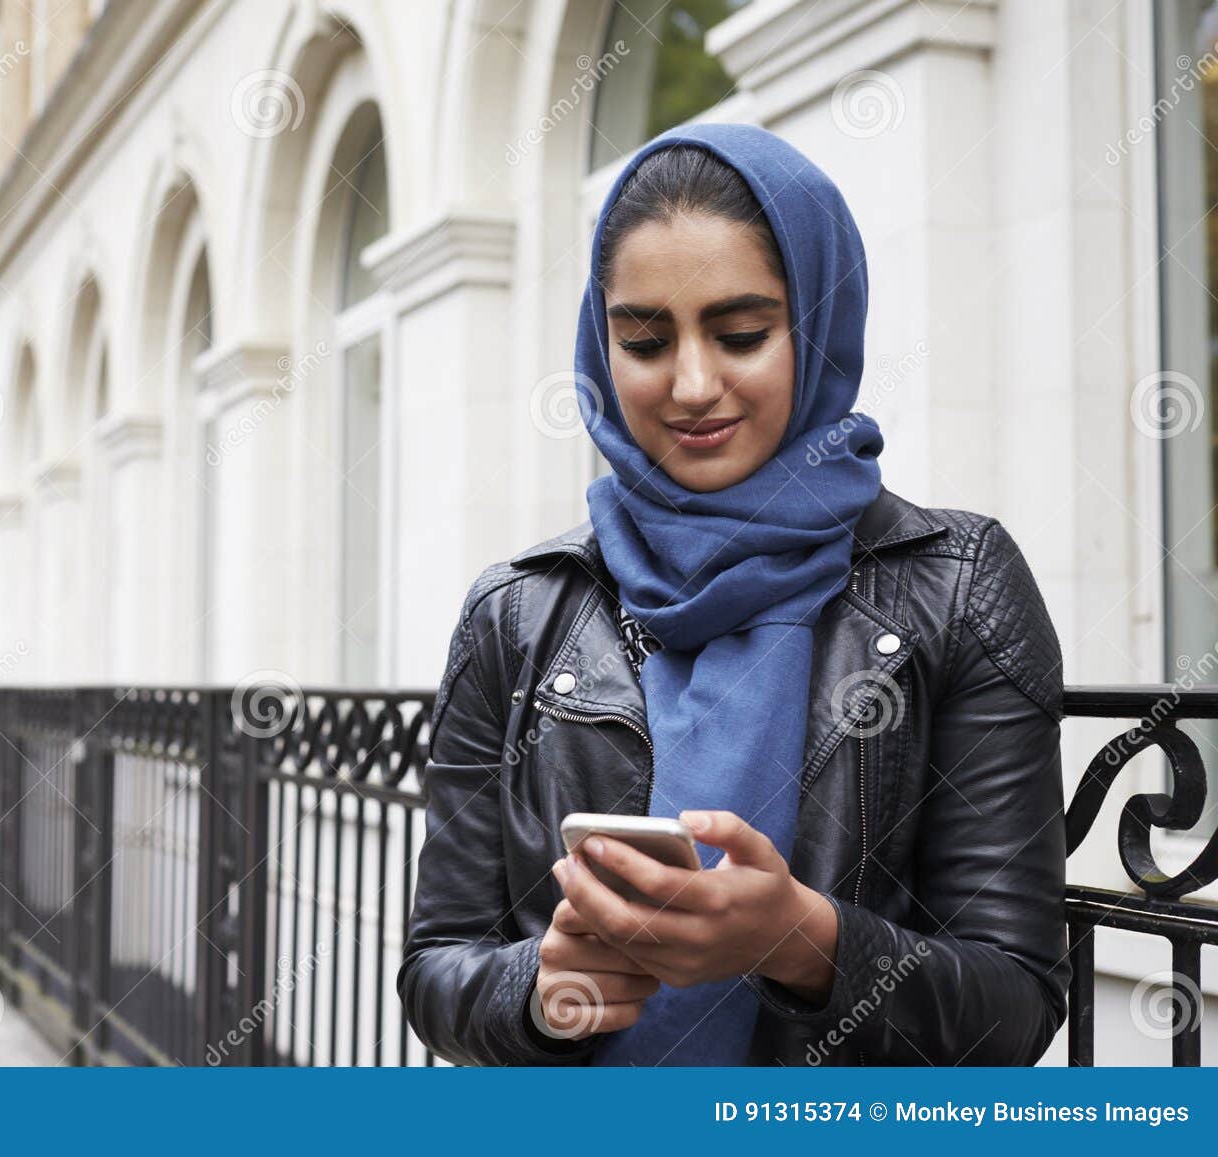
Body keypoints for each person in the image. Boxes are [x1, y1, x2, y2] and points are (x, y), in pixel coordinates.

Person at [396, 122, 1070, 1066]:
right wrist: (542, 991)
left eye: (742, 332)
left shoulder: (957, 584)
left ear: (820, 324)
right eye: (643, 339)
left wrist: (804, 940)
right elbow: (436, 964)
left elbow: (1015, 1002)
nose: (692, 384)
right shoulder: (517, 610)